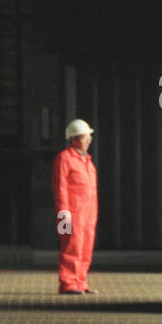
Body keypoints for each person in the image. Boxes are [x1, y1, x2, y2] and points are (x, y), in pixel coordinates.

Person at [52, 119, 98, 295]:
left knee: (85, 247)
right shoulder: (64, 159)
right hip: (70, 213)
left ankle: (81, 282)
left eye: (89, 137)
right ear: (74, 139)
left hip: (88, 214)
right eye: (86, 137)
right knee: (71, 247)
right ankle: (68, 283)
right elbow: (60, 187)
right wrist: (63, 215)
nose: (89, 141)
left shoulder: (87, 161)